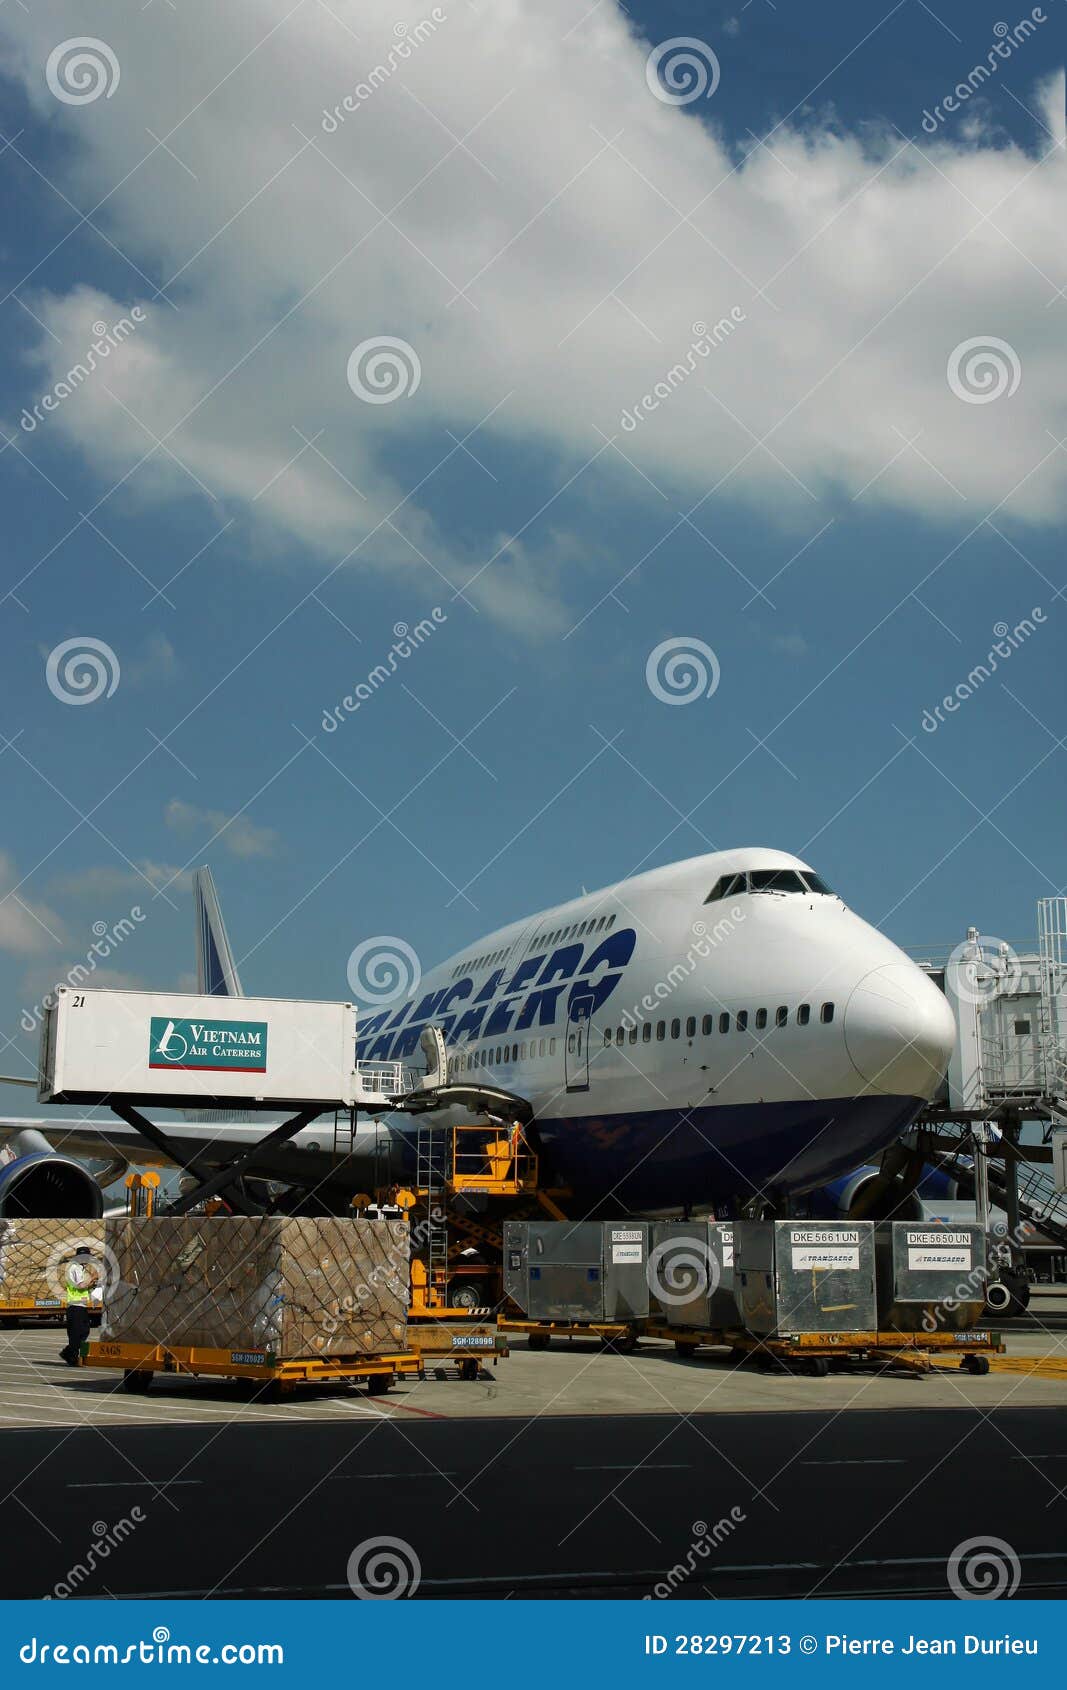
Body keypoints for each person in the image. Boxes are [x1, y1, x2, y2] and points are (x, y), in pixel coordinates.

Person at [59, 1248, 95, 1366]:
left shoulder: (79, 1268)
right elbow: (80, 1285)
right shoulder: (76, 1268)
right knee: (77, 1333)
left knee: (83, 1331)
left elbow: (81, 1286)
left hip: (80, 1305)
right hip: (75, 1306)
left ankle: (69, 1353)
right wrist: (93, 1278)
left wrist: (91, 1285)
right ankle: (72, 1357)